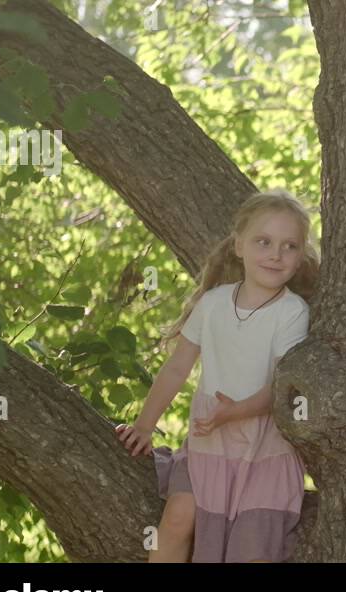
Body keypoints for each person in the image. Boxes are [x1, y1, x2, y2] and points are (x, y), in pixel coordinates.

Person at [115, 190, 318, 562]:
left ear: (300, 255)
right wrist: (145, 425)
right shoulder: (214, 304)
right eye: (263, 241)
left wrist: (237, 411)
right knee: (178, 518)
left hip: (265, 448)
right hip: (209, 441)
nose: (275, 254)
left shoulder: (292, 312)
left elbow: (280, 386)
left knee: (250, 549)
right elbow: (178, 366)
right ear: (239, 245)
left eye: (289, 246)